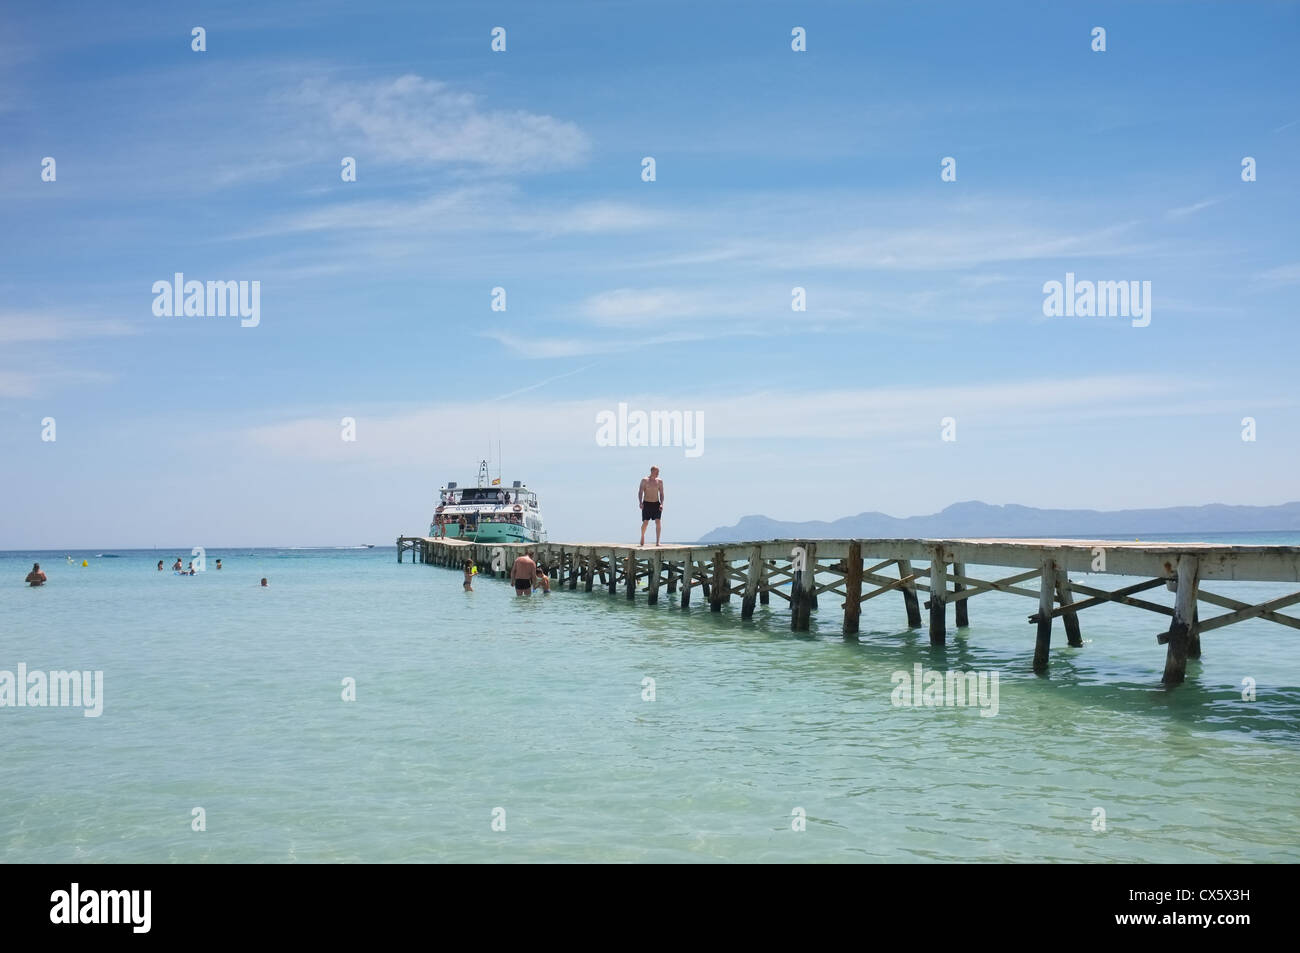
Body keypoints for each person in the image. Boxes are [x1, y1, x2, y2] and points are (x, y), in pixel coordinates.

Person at [638, 465, 665, 546]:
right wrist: (640, 502)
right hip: (646, 503)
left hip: (656, 504)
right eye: (656, 472)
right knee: (645, 522)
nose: (658, 473)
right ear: (652, 471)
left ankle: (657, 542)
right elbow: (640, 492)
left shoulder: (659, 481)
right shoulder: (644, 480)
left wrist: (661, 504)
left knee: (658, 521)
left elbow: (662, 493)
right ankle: (642, 535)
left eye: (658, 472)